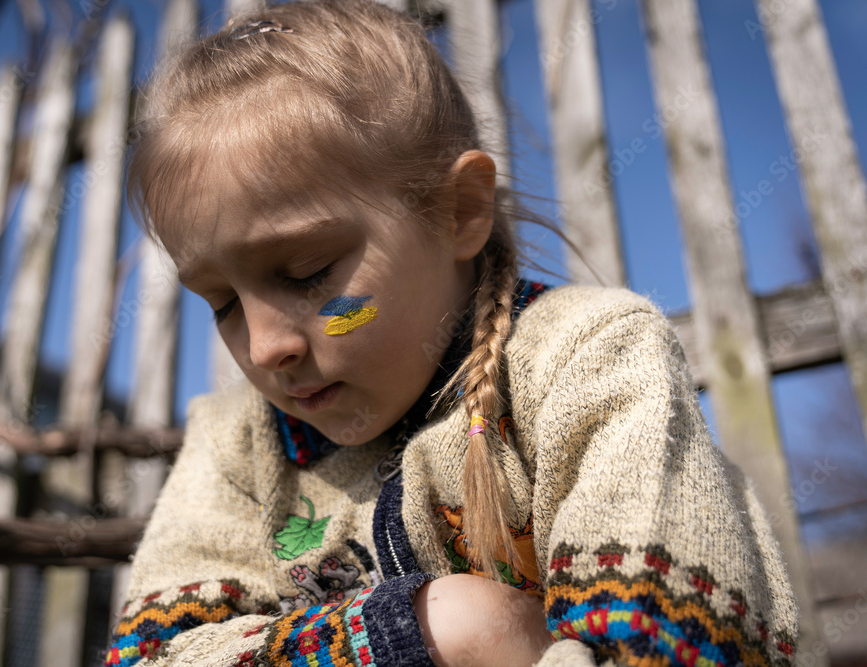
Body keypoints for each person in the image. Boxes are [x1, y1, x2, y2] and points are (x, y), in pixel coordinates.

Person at [104, 1, 799, 665]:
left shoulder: (589, 363)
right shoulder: (237, 444)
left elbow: (674, 643)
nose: (263, 347)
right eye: (221, 302)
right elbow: (153, 655)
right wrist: (439, 630)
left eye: (308, 270)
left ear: (458, 210)